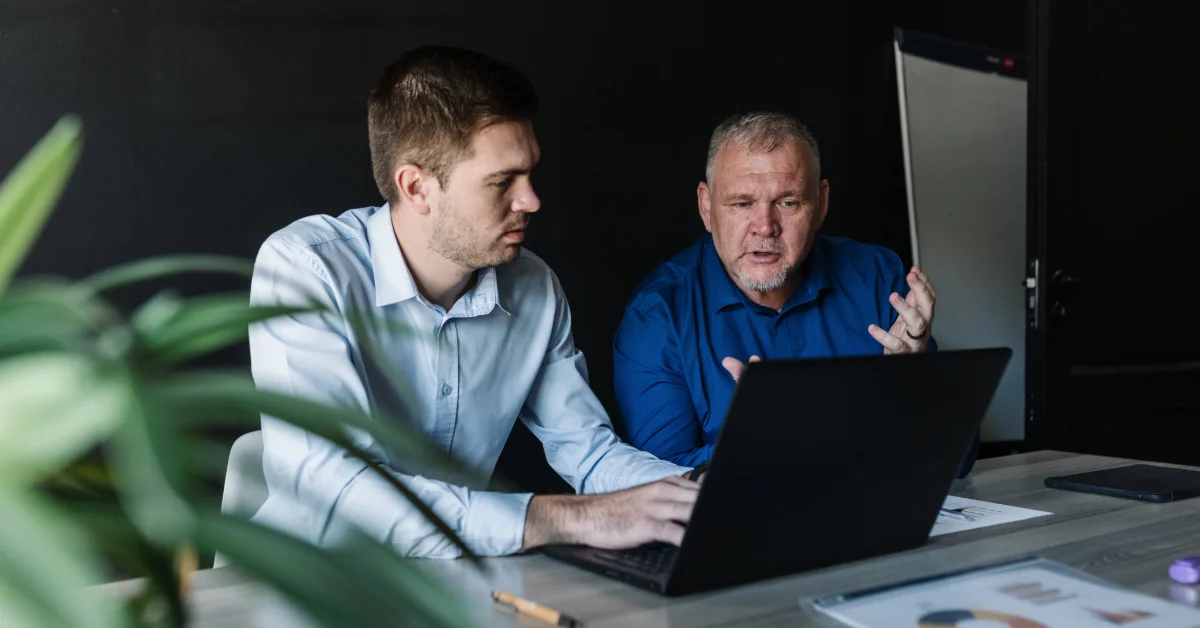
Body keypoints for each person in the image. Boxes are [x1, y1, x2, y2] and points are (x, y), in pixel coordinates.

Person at [248, 46, 700, 559]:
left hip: (460, 578)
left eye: (530, 174)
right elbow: (338, 490)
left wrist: (702, 491)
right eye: (502, 182)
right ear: (417, 187)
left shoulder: (534, 287)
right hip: (312, 580)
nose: (531, 200)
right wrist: (565, 518)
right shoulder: (306, 270)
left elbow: (590, 453)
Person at [612, 111, 978, 476]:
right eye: (742, 204)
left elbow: (958, 460)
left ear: (821, 202)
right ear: (706, 207)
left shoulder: (878, 278)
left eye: (788, 202)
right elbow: (660, 477)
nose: (765, 227)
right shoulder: (658, 314)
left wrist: (913, 382)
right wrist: (774, 441)